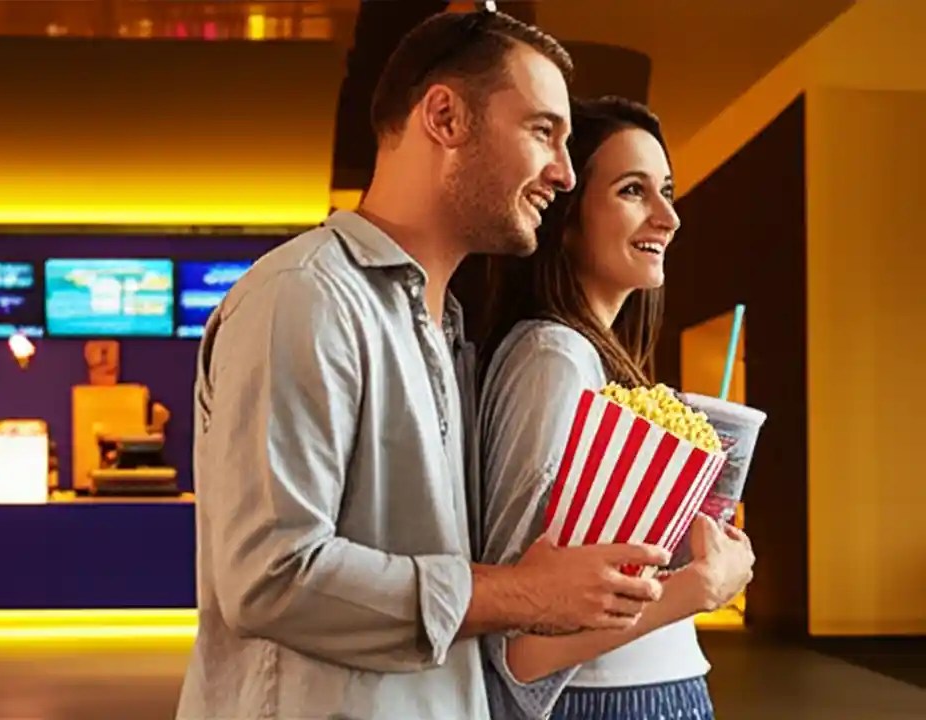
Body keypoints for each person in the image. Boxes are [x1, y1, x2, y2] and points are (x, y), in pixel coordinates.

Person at [176, 11, 675, 720]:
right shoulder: (306, 295)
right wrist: (525, 591)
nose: (563, 175)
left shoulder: (446, 329)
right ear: (444, 116)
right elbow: (270, 576)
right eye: (543, 133)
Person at [474, 96, 757, 720]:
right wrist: (701, 587)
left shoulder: (591, 357)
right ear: (567, 218)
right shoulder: (553, 357)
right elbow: (518, 646)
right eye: (633, 191)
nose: (668, 218)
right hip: (610, 702)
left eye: (668, 192)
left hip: (647, 690)